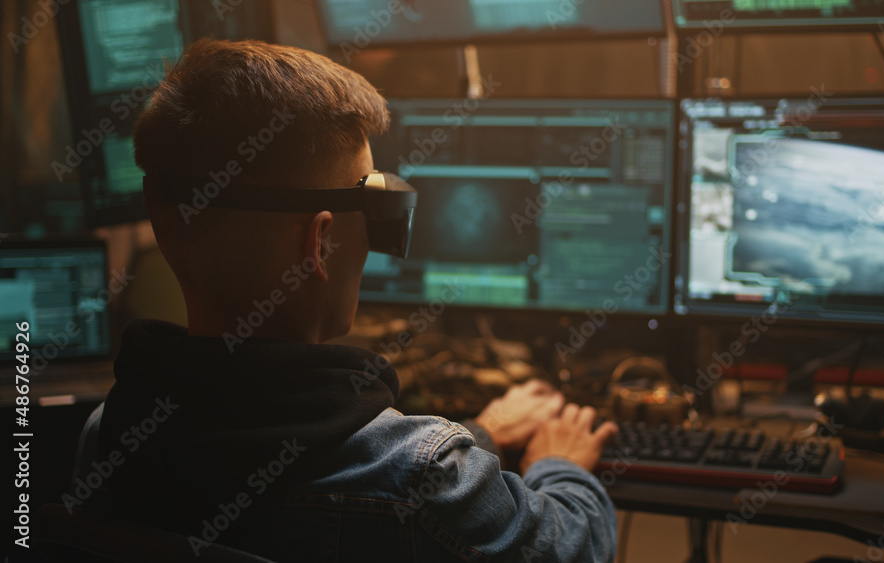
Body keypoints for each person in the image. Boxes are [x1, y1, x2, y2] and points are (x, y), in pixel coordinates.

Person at [70, 38, 619, 562]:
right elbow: (574, 546)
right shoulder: (421, 477)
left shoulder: (106, 436)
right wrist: (560, 463)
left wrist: (482, 433)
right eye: (376, 209)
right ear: (321, 242)